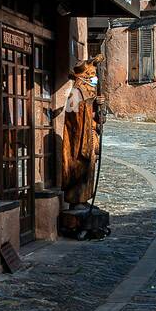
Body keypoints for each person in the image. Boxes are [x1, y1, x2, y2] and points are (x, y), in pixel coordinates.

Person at [61, 56, 104, 207]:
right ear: (83, 78)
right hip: (77, 143)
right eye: (92, 75)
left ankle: (84, 198)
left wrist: (98, 109)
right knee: (78, 168)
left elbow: (95, 117)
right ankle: (76, 199)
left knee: (89, 169)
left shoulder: (89, 93)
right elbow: (74, 116)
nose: (95, 79)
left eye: (94, 75)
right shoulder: (76, 93)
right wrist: (92, 103)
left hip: (90, 136)